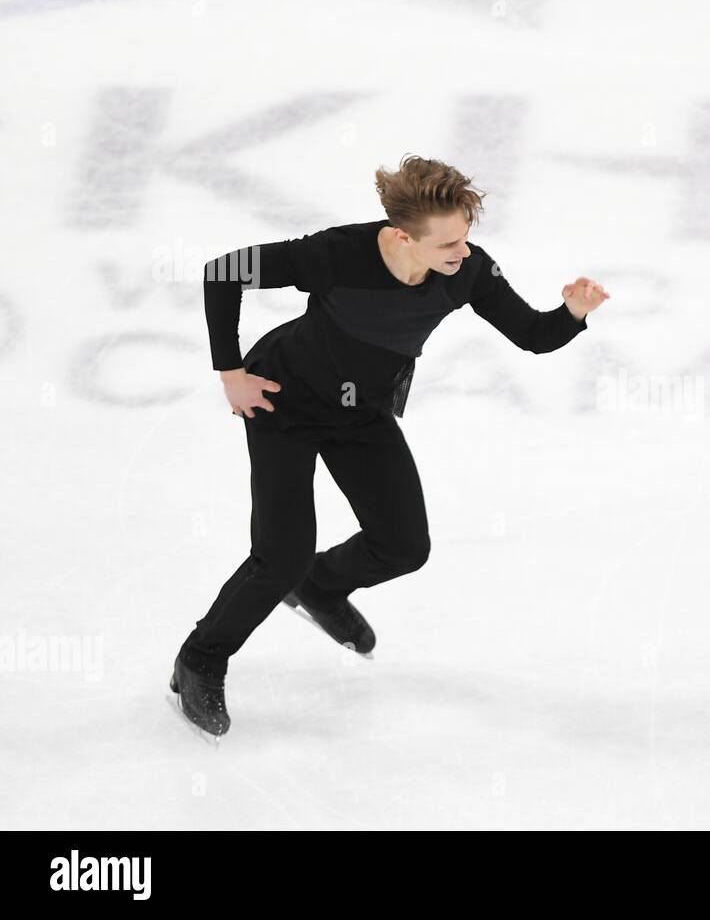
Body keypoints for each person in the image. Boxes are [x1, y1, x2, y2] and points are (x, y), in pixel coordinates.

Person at [171, 154, 609, 738]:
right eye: (449, 242)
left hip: (363, 412)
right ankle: (200, 657)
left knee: (403, 545)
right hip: (285, 404)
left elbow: (532, 335)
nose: (463, 252)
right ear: (404, 236)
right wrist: (229, 371)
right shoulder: (336, 253)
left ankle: (321, 584)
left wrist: (574, 313)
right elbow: (223, 271)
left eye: (466, 237)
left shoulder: (469, 271)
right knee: (280, 553)